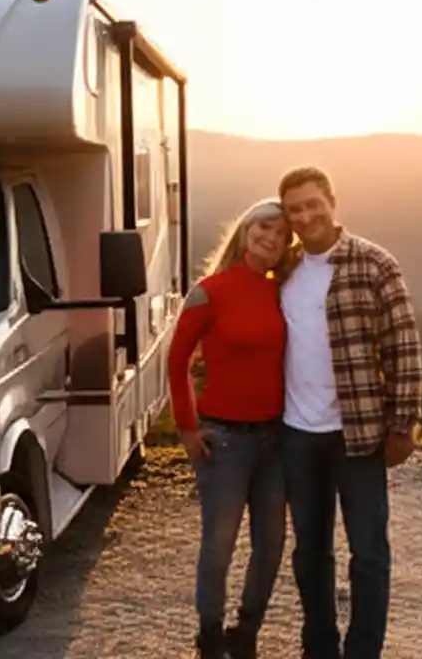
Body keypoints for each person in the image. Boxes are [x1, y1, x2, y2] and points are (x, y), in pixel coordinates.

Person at [275, 166, 422, 659]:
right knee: (310, 553)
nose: (305, 216)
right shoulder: (285, 269)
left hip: (357, 433)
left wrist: (402, 425)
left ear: (332, 201)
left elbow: (403, 347)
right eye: (294, 210)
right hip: (297, 434)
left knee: (369, 552)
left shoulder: (374, 264)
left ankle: (363, 651)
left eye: (313, 204)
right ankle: (320, 647)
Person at [167, 198, 294, 659]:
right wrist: (187, 426)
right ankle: (210, 636)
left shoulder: (281, 292)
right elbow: (177, 359)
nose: (270, 238)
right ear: (245, 230)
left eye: (281, 234)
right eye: (264, 227)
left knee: (271, 545)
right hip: (223, 441)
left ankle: (246, 633)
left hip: (276, 439)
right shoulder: (210, 291)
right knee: (219, 545)